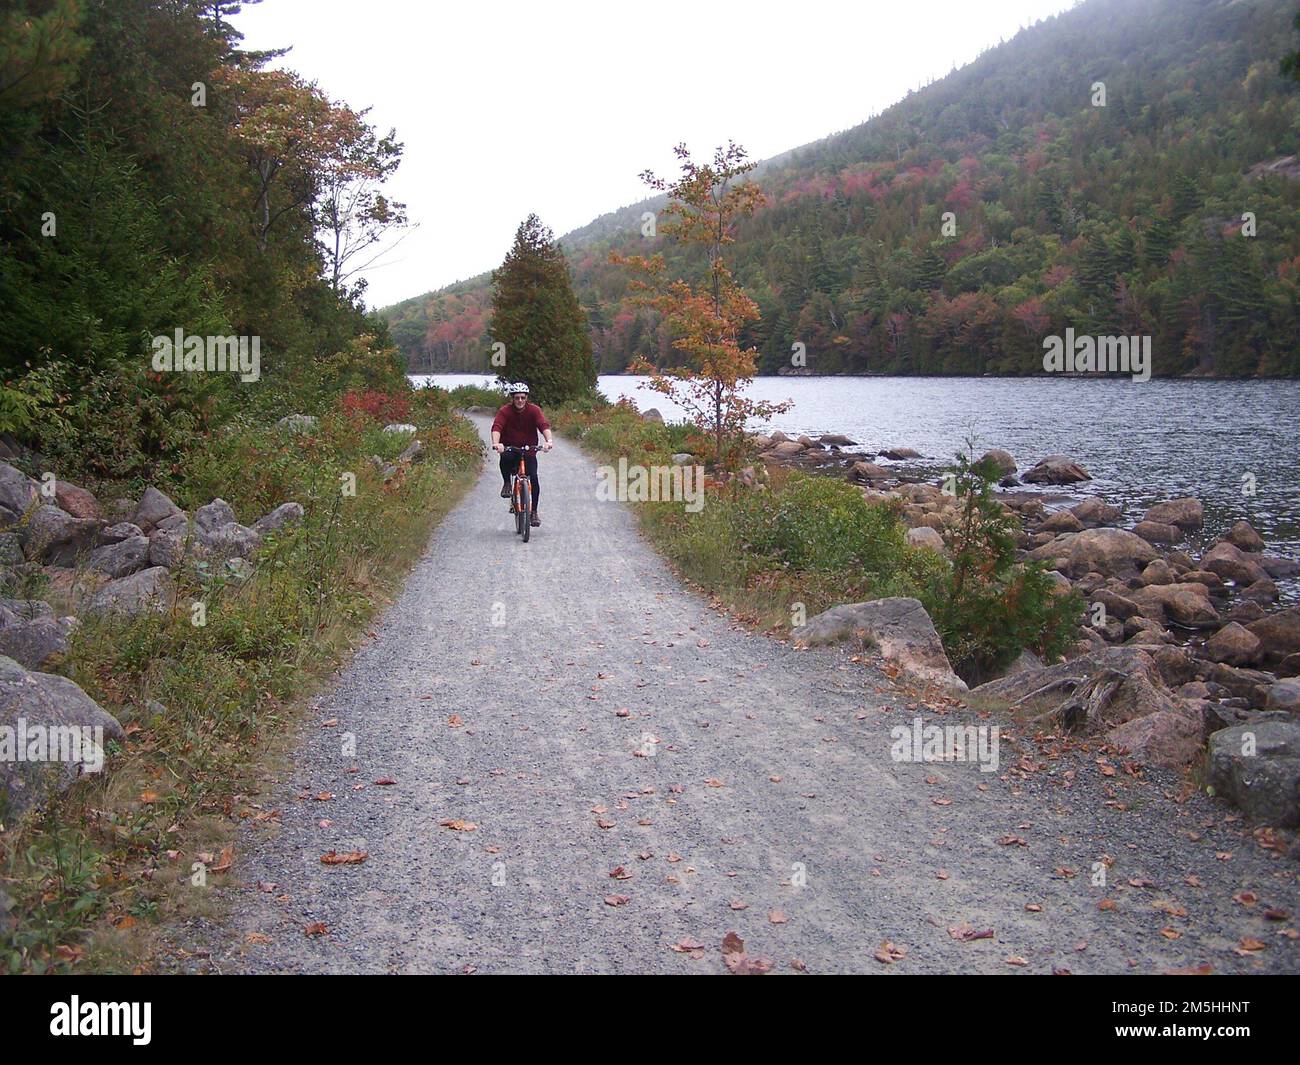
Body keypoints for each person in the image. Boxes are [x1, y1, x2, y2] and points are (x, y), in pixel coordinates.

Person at [490, 382, 553, 526]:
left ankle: (534, 512)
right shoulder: (505, 411)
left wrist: (548, 441)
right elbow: (497, 427)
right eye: (517, 397)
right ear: (512, 398)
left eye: (522, 398)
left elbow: (543, 425)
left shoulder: (534, 410)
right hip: (510, 448)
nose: (520, 401)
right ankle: (506, 483)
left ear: (526, 398)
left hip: (529, 449)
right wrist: (497, 443)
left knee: (534, 479)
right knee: (505, 457)